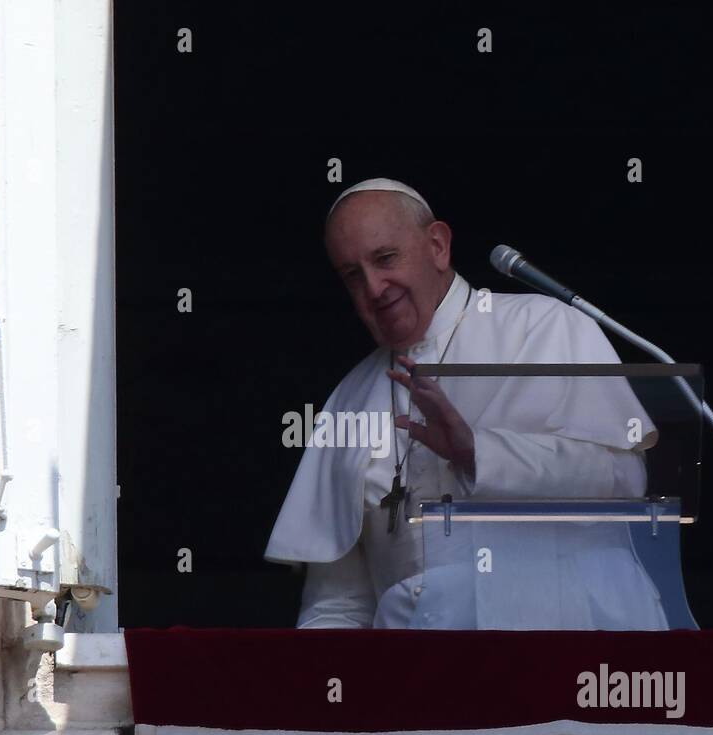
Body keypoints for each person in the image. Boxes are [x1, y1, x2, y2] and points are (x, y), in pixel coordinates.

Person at [265, 178, 668, 630]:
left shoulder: (544, 327)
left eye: (385, 258)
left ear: (437, 245)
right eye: (352, 275)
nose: (374, 288)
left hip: (565, 642)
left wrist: (476, 452)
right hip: (416, 676)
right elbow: (338, 603)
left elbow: (622, 484)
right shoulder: (349, 400)